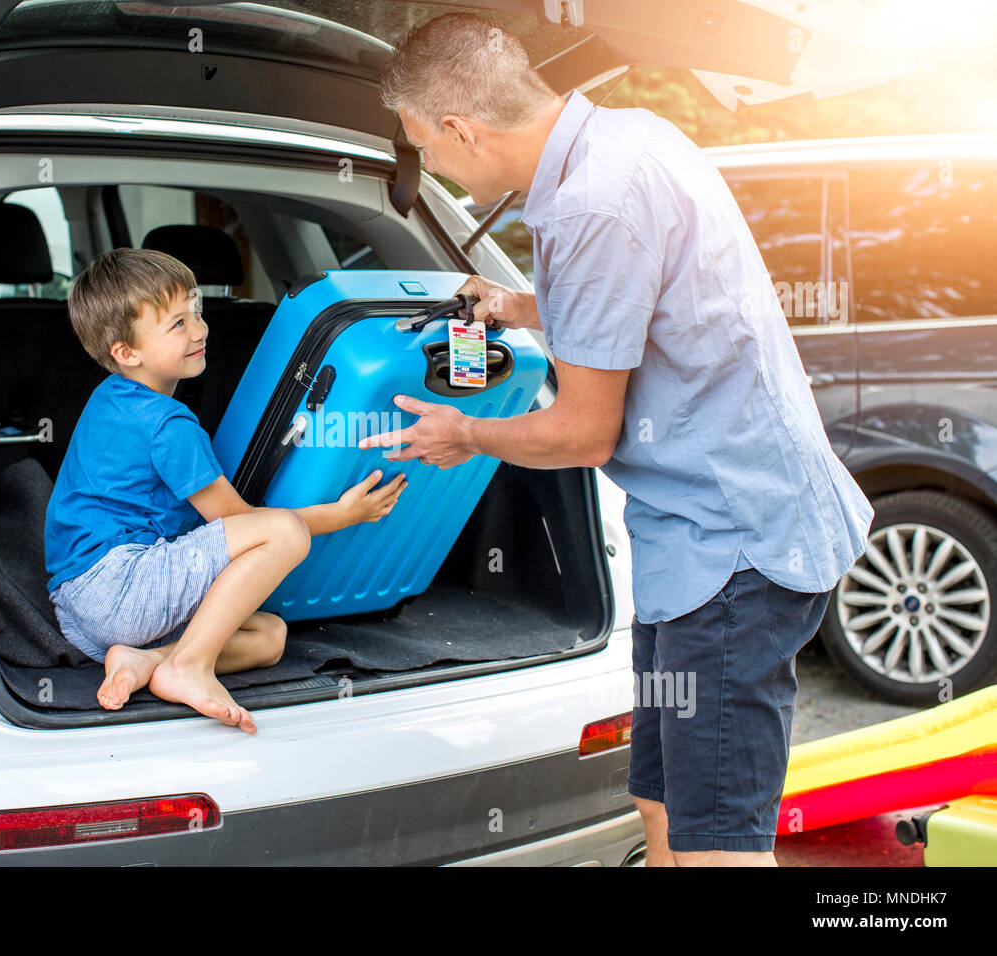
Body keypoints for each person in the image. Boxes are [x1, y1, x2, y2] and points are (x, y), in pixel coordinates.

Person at [365, 13, 873, 864]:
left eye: (426, 146)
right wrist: (524, 306)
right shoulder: (628, 138)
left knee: (717, 838)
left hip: (734, 552)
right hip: (692, 547)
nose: (432, 167)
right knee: (661, 800)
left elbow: (583, 433)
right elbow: (648, 296)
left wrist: (465, 433)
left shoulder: (592, 203)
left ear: (462, 129)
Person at [46, 248, 406, 733]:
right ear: (127, 353)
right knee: (282, 532)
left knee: (270, 636)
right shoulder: (167, 425)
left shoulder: (112, 395)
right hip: (120, 589)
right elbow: (238, 520)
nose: (199, 329)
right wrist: (344, 513)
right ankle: (188, 667)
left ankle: (149, 661)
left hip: (78, 609)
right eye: (177, 324)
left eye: (196, 310)